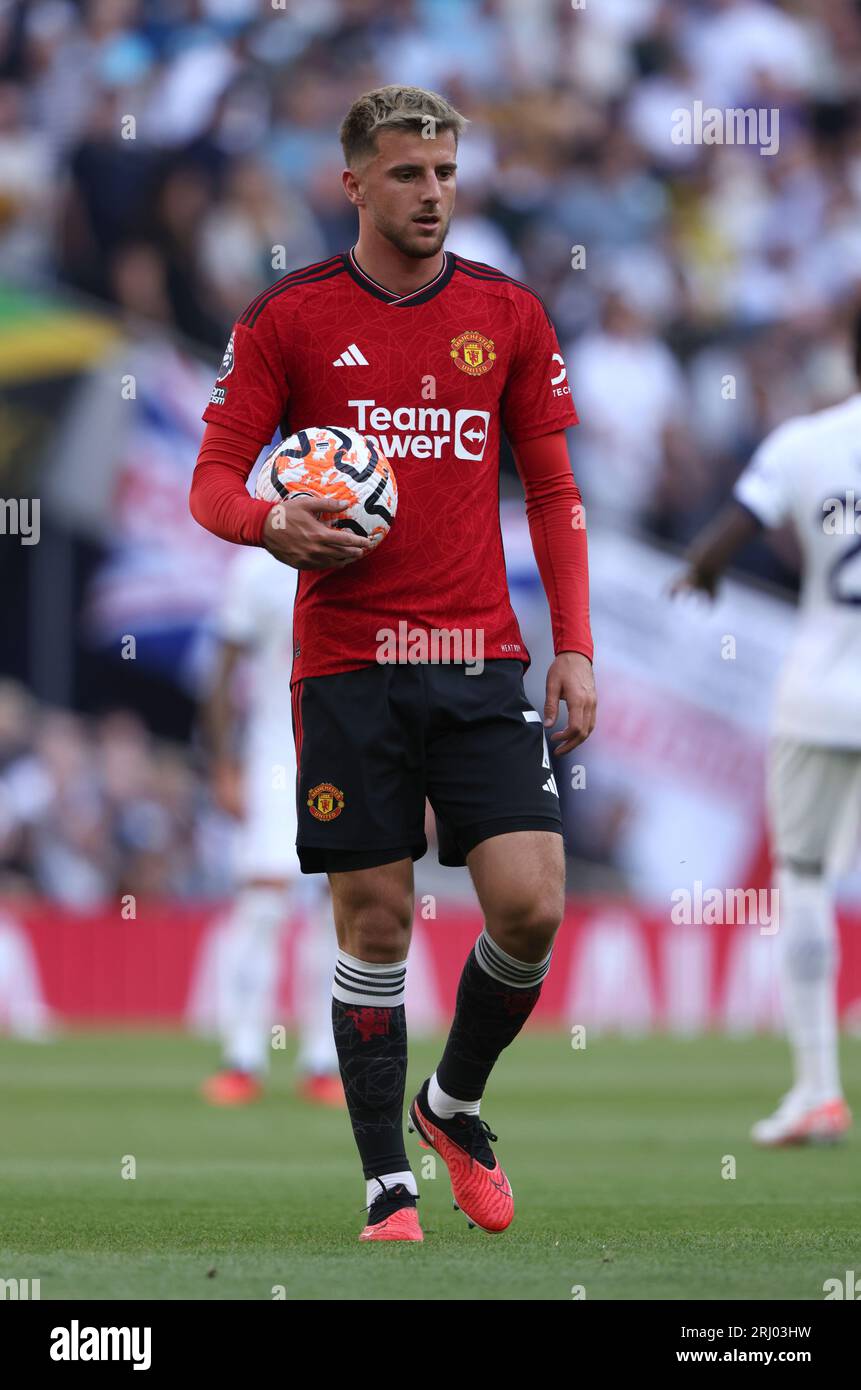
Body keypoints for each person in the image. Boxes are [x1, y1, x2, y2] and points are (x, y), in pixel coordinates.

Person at [190, 85, 595, 1241]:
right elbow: (214, 477)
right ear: (354, 182)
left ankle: (452, 1104)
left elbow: (557, 493)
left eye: (447, 173)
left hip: (478, 660)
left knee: (531, 905)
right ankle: (385, 1185)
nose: (432, 194)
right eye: (409, 173)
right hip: (348, 667)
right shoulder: (289, 320)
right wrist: (270, 522)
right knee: (375, 924)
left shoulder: (509, 315)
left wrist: (576, 647)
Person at [671, 312, 861, 1147]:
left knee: (805, 877)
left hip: (821, 692)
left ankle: (818, 1089)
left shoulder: (804, 442)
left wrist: (700, 577)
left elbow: (719, 543)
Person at [200, 547, 342, 1108]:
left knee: (340, 909)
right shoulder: (257, 568)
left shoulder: (367, 547)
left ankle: (323, 1062)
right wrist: (224, 766)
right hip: (274, 757)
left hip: (350, 756)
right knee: (264, 903)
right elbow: (222, 675)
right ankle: (242, 1058)